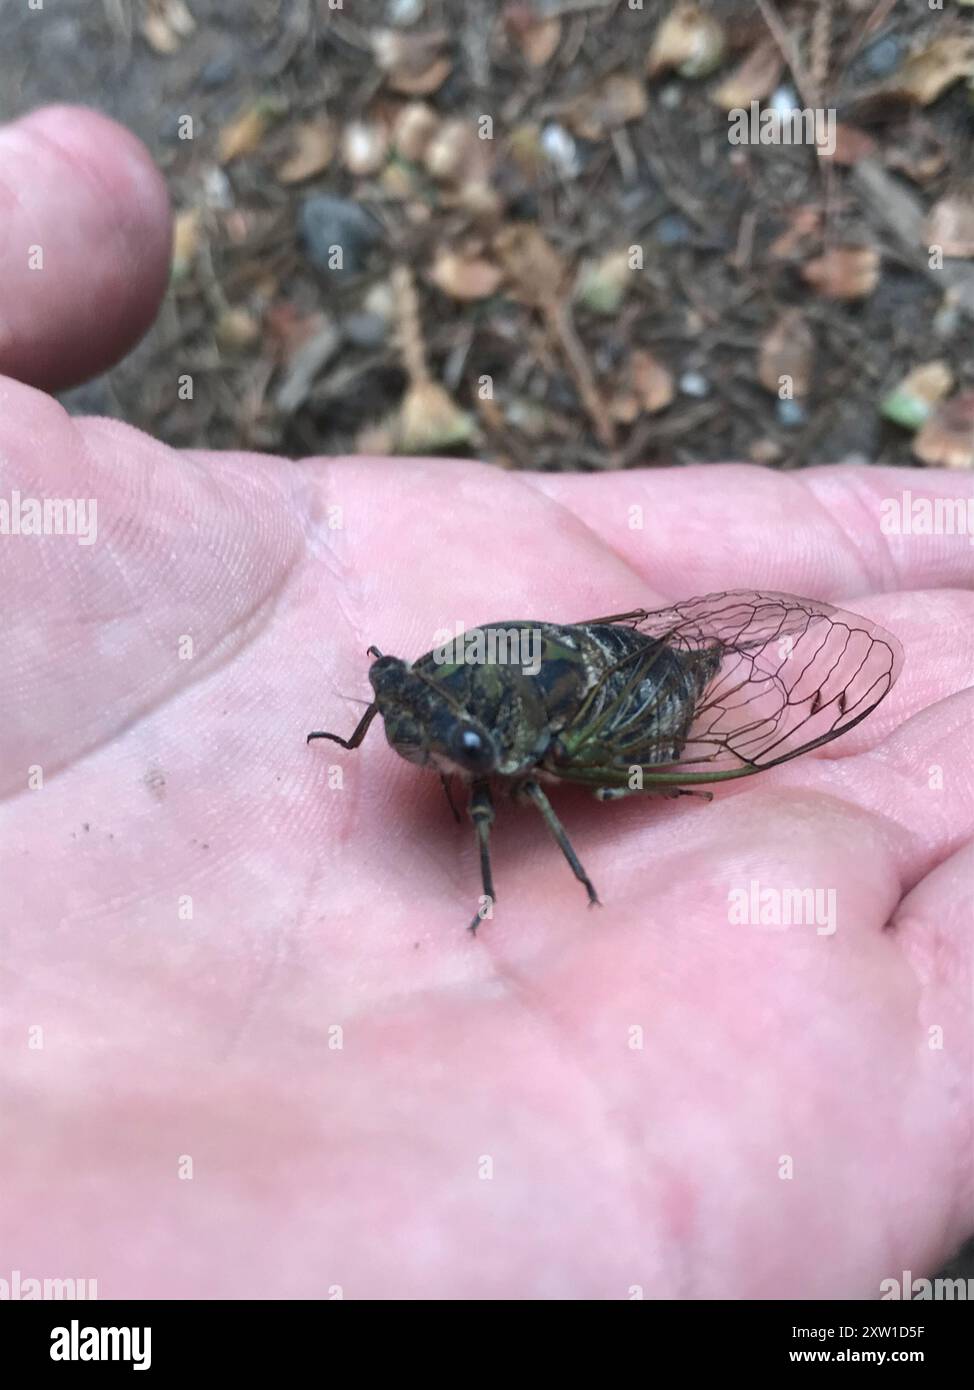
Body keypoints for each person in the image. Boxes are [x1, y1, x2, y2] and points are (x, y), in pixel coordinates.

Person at [1, 106, 971, 1299]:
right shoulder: (431, 706)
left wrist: (558, 872)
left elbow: (540, 802)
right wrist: (390, 702)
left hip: (625, 716)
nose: (412, 743)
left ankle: (686, 689)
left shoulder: (512, 771)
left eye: (431, 734)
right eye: (397, 711)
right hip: (564, 669)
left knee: (654, 753)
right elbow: (413, 699)